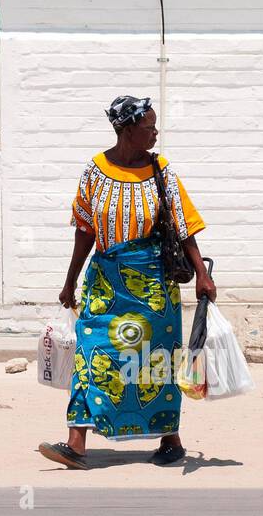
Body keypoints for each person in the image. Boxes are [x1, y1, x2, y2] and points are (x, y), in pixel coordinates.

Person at [39, 95, 215, 470]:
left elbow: (185, 225)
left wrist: (202, 273)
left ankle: (171, 439)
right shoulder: (94, 171)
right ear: (126, 130)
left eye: (155, 126)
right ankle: (76, 443)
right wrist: (69, 281)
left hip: (154, 286)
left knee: (155, 362)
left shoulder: (161, 170)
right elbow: (84, 230)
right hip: (105, 283)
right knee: (92, 354)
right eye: (148, 127)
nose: (155, 132)